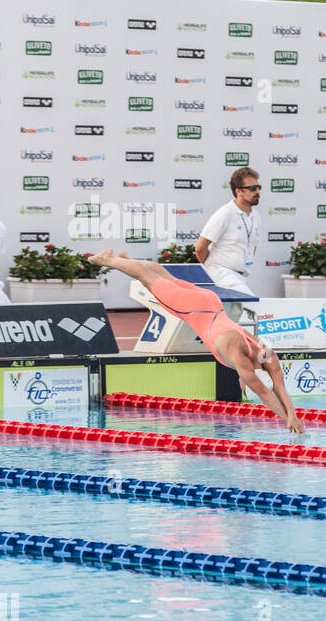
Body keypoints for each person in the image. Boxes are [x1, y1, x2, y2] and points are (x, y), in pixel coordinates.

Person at [92, 249, 305, 433]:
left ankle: (126, 259)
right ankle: (107, 260)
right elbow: (265, 392)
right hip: (192, 308)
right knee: (147, 278)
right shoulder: (239, 358)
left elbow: (279, 388)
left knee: (160, 276)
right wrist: (287, 419)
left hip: (210, 301)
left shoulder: (265, 352)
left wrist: (293, 415)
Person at [194, 166, 262, 296]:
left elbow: (252, 247)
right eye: (253, 188)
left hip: (241, 277)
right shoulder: (225, 213)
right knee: (252, 306)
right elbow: (200, 248)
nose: (257, 191)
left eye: (259, 187)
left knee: (237, 314)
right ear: (239, 191)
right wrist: (214, 269)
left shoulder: (256, 216)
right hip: (222, 274)